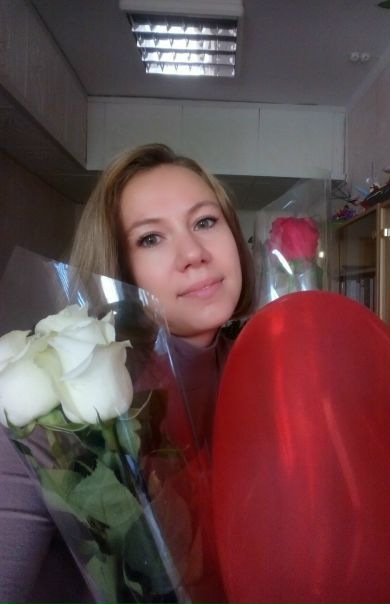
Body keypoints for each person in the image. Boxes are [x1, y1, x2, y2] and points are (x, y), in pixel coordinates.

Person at [0, 143, 255, 603]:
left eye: (205, 221)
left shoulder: (269, 376)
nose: (194, 253)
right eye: (151, 238)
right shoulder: (52, 409)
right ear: (119, 267)